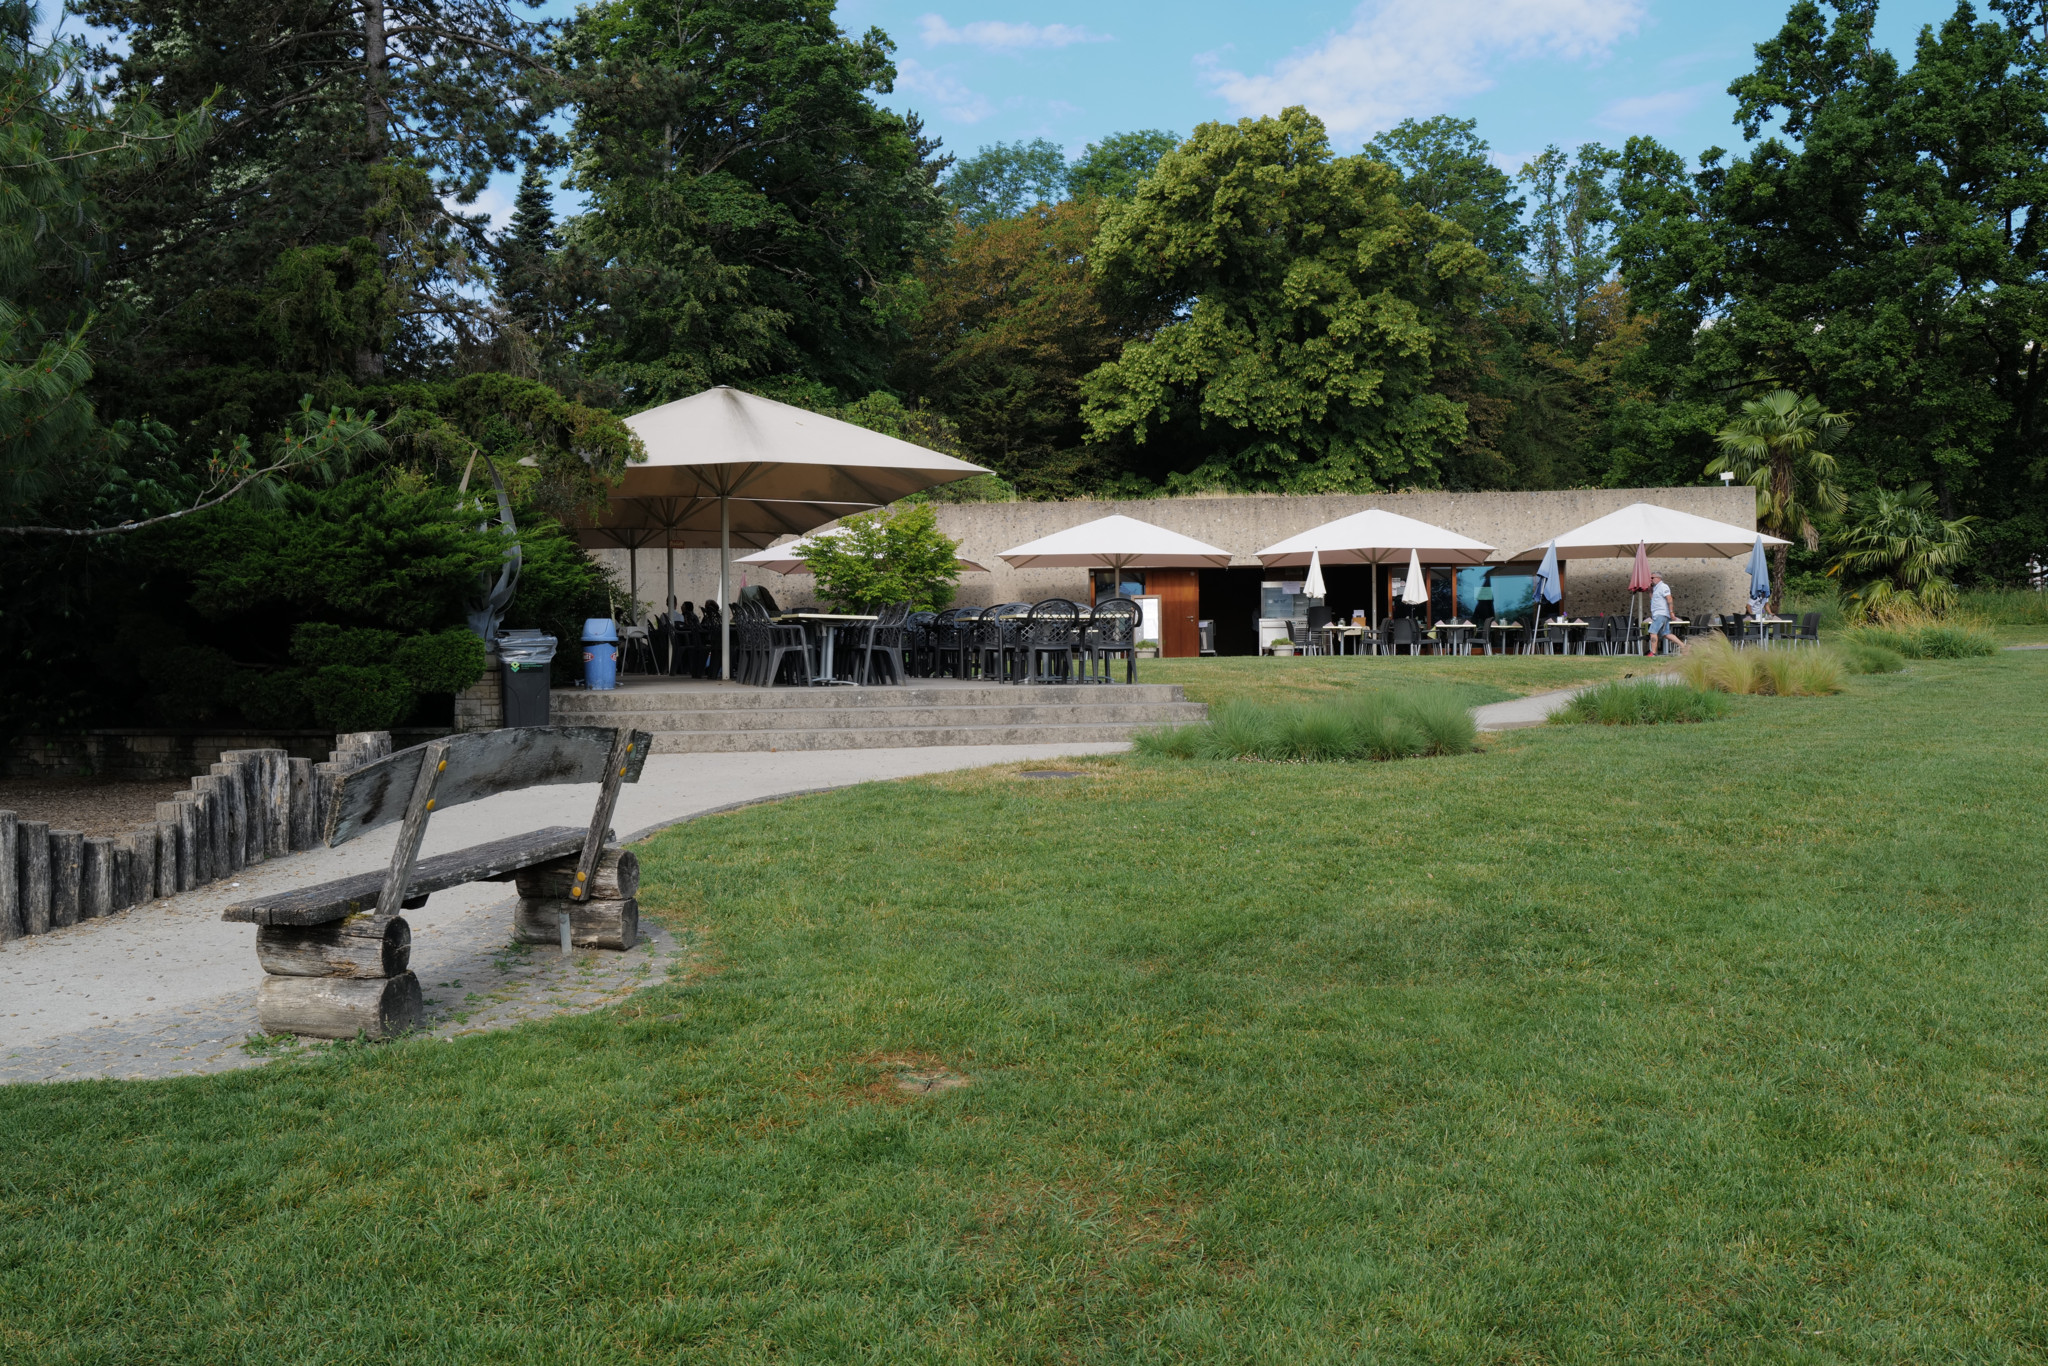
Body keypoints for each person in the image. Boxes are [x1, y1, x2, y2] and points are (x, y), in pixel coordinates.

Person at [1646, 570, 1683, 657]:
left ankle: (1653, 653)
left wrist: (1671, 612)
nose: (1650, 580)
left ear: (1658, 578)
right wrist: (1650, 590)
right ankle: (1684, 646)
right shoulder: (1656, 588)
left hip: (1661, 613)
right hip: (1659, 614)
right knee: (1666, 634)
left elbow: (1669, 599)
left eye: (1652, 578)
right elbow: (1653, 599)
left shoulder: (1663, 586)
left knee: (1653, 632)